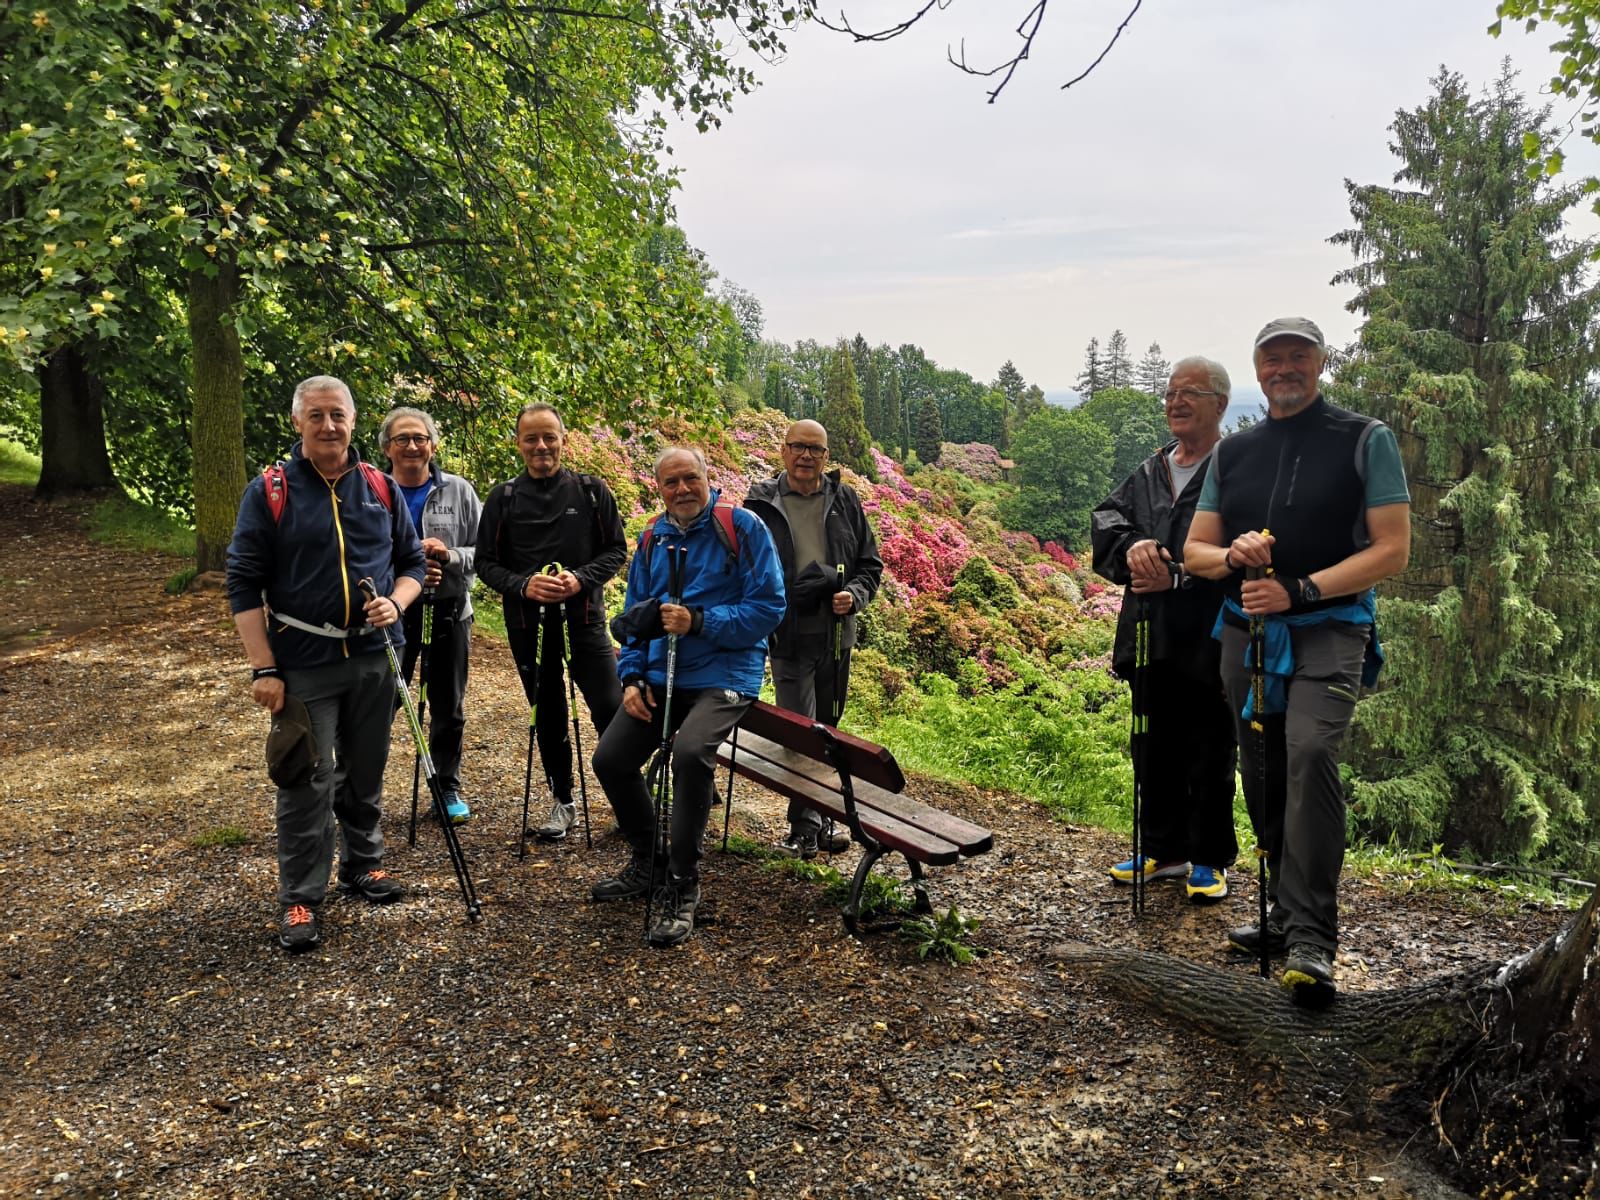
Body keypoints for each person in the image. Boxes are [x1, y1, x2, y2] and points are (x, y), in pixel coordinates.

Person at [1184, 317, 1410, 1007]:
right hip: (1244, 634)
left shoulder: (1364, 440)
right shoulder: (1236, 453)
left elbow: (1392, 549)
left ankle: (1313, 935)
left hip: (1330, 629)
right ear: (1257, 369)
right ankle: (1283, 912)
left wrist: (1301, 589)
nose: (1285, 368)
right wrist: (1234, 558)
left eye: (1298, 357)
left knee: (1310, 756)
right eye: (1272, 358)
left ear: (1319, 363)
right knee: (1261, 768)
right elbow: (1196, 550)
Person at [226, 375, 427, 954]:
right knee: (305, 779)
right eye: (315, 416)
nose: (328, 426)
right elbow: (243, 583)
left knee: (365, 769)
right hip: (303, 662)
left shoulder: (379, 487)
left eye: (337, 415)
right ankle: (301, 895)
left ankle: (364, 864)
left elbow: (411, 561)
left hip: (375, 657)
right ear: (297, 423)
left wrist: (399, 600)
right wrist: (264, 668)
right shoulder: (270, 490)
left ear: (353, 421)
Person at [590, 447, 785, 948]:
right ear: (659, 488)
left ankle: (683, 883)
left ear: (707, 478)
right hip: (661, 674)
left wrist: (700, 621)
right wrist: (631, 678)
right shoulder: (653, 536)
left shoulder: (742, 528)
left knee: (691, 752)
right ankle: (649, 859)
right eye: (671, 482)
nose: (682, 489)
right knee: (611, 759)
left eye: (690, 478)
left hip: (727, 671)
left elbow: (769, 607)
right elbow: (636, 614)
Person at [1091, 358, 1239, 904]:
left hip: (1211, 639)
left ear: (1220, 405)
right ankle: (1163, 850)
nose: (1175, 402)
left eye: (1190, 393)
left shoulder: (1233, 469)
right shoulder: (1153, 469)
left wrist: (1177, 575)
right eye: (1170, 393)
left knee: (1211, 748)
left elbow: (1243, 552)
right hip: (1149, 637)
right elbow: (1107, 518)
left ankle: (1208, 858)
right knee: (1151, 745)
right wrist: (1132, 546)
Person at [475, 402, 627, 841]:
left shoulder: (591, 491)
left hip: (584, 620)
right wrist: (524, 586)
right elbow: (486, 562)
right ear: (518, 443)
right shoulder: (503, 498)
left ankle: (627, 796)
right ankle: (563, 800)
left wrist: (580, 579)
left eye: (549, 437)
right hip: (528, 625)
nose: (541, 446)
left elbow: (615, 550)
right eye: (531, 438)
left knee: (609, 707)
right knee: (549, 714)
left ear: (563, 439)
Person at [745, 418, 884, 859]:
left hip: (835, 638)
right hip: (787, 636)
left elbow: (870, 566)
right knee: (801, 733)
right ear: (783, 452)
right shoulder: (760, 504)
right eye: (798, 447)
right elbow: (743, 567)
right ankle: (804, 829)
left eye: (816, 450)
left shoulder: (844, 500)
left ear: (827, 457)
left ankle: (822, 822)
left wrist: (853, 596)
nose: (806, 456)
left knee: (829, 730)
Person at [379, 406, 482, 825]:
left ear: (433, 445)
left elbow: (488, 552)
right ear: (387, 447)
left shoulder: (459, 491)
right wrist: (407, 570)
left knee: (447, 705)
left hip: (450, 611)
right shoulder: (371, 490)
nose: (412, 446)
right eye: (402, 439)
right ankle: (358, 787)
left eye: (420, 438)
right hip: (390, 613)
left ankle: (445, 786)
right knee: (379, 702)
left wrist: (449, 556)